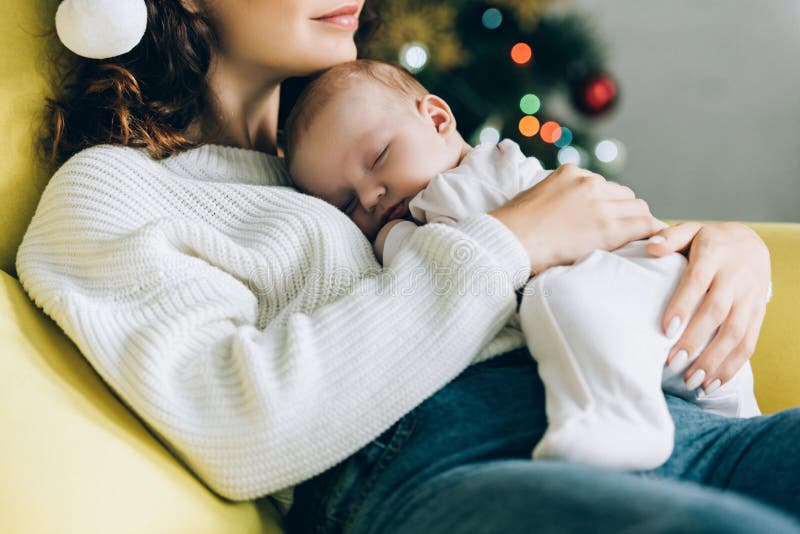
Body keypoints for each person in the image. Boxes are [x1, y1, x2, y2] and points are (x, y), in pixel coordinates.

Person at [17, 1, 798, 532]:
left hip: (679, 422)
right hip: (457, 463)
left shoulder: (360, 141)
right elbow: (238, 426)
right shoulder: (112, 189)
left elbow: (591, 244)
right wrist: (505, 244)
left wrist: (722, 250)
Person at [282, 59, 763, 471]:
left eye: (379, 157)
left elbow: (459, 255)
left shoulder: (476, 176)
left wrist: (391, 237)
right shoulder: (419, 214)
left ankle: (618, 418)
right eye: (346, 203)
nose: (370, 196)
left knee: (557, 294)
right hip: (651, 338)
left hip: (666, 311)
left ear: (437, 119)